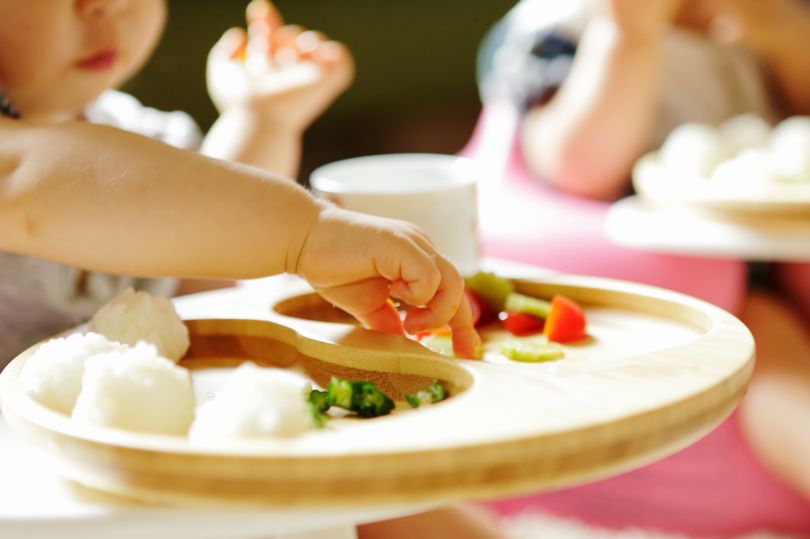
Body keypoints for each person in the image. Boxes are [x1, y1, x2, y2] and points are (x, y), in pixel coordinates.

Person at [472, 0, 810, 536]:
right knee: (766, 342)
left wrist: (783, 35)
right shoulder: (566, 27)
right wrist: (629, 33)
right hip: (655, 269)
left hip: (775, 240)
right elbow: (575, 167)